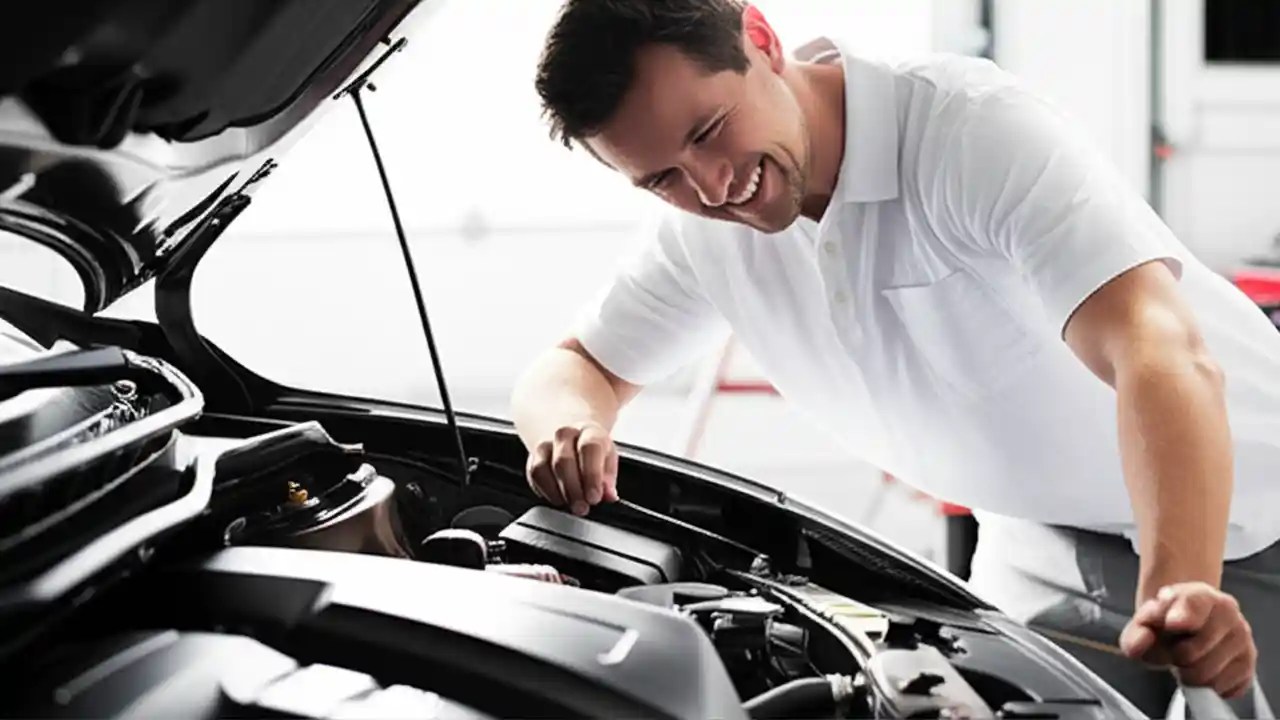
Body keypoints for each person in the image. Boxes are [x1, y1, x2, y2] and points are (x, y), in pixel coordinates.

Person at [511, 1, 1279, 714]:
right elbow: (575, 365)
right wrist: (570, 424)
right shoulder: (702, 235)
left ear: (761, 39)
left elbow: (1156, 350)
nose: (712, 189)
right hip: (1038, 545)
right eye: (662, 180)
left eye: (709, 130)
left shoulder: (967, 132)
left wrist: (1180, 584)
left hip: (1248, 522)